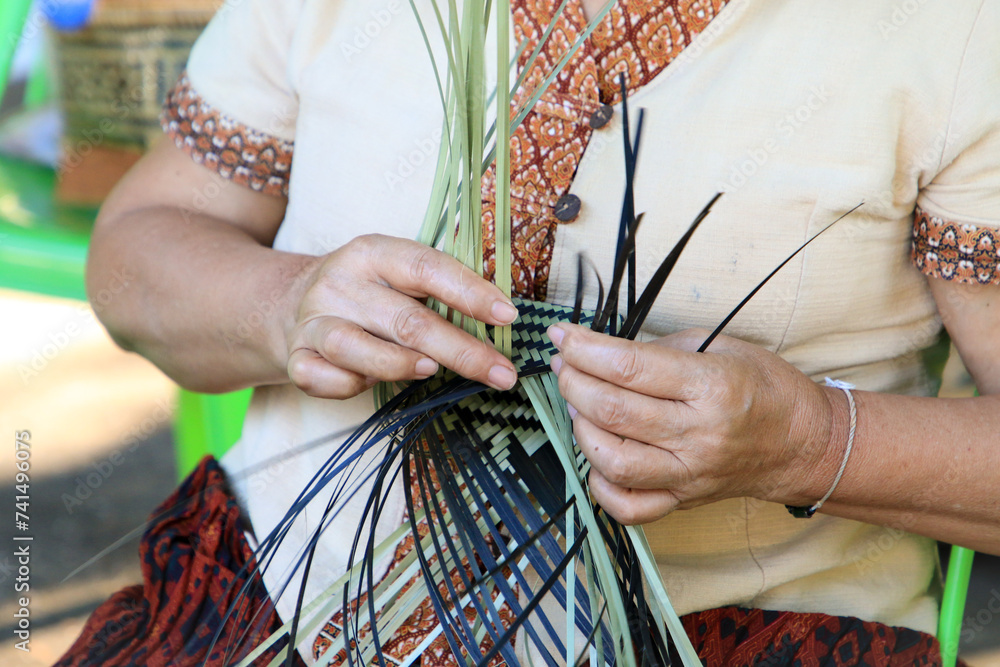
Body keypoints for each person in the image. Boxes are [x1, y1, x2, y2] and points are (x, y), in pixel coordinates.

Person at [57, 0, 1000, 664]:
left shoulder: (949, 31)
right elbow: (137, 254)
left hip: (738, 635)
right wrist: (285, 302)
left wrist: (809, 443)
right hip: (286, 612)